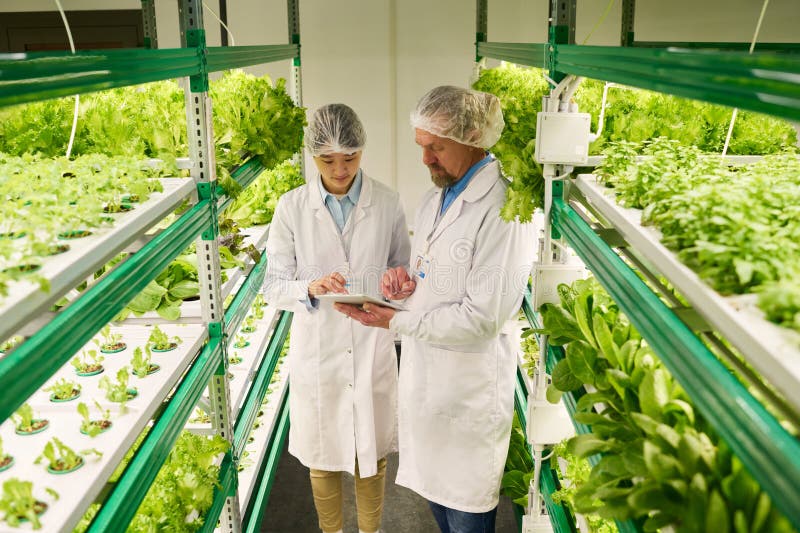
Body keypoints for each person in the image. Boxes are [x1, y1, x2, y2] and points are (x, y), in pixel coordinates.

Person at [336, 86, 536, 533]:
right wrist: (405, 284)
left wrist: (397, 318)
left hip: (468, 395)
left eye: (436, 147)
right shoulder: (436, 198)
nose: (425, 159)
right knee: (442, 514)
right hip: (429, 389)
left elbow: (483, 317)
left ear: (473, 137)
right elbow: (432, 277)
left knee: (466, 518)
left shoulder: (504, 209)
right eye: (421, 147)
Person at [262, 103, 410, 533]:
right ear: (313, 155)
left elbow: (401, 264)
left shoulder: (386, 201)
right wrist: (309, 288)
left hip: (370, 345)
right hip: (319, 346)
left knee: (371, 453)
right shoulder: (292, 208)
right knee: (322, 456)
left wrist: (396, 285)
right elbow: (273, 284)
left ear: (363, 151)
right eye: (329, 160)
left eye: (351, 158)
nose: (341, 169)